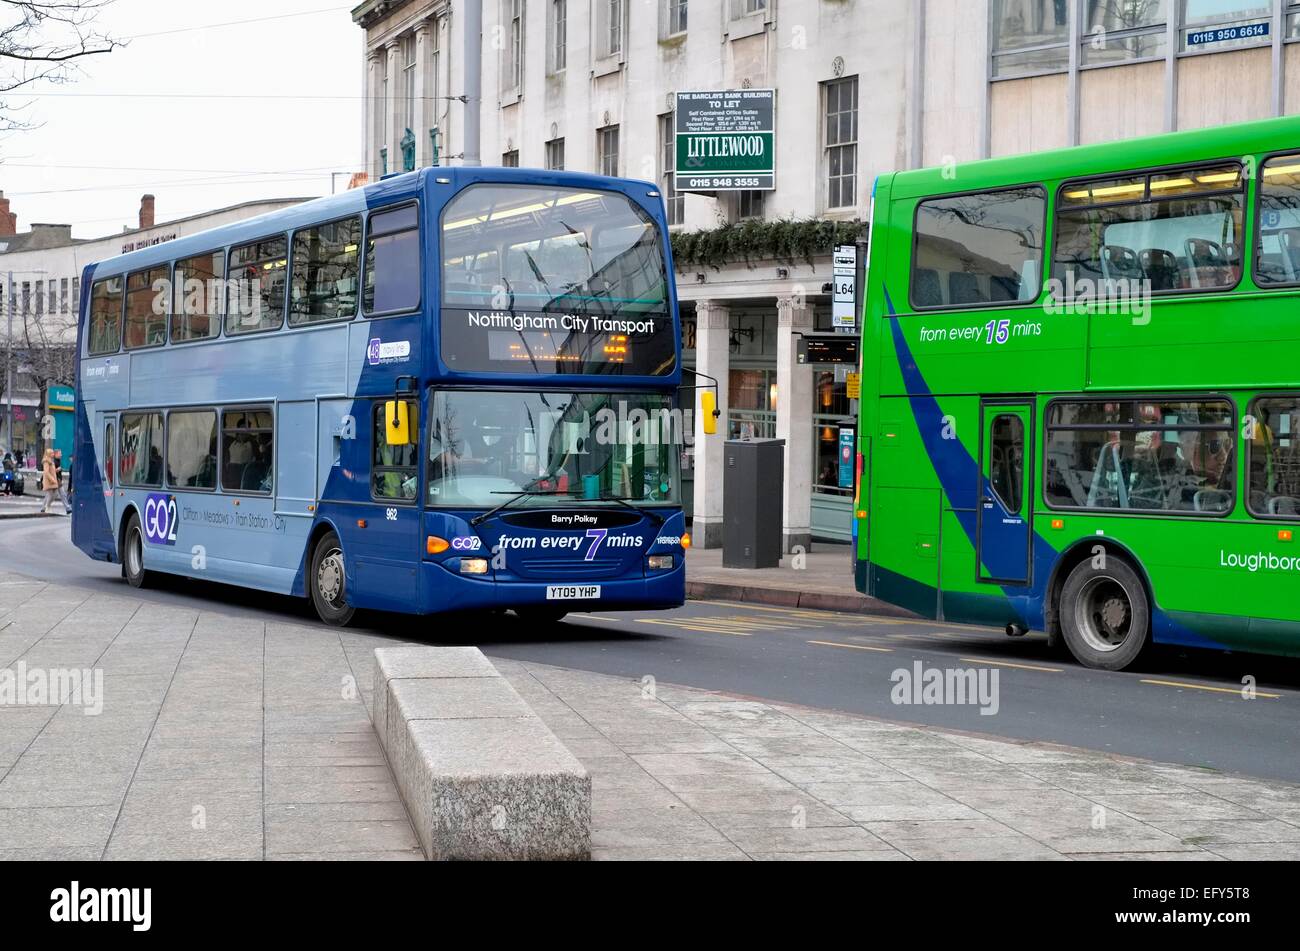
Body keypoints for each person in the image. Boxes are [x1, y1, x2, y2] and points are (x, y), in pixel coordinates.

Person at [41, 449, 60, 514]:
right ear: (49, 454)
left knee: (55, 494)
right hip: (49, 481)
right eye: (52, 453)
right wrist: (52, 479)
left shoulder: (51, 461)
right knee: (50, 495)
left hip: (52, 480)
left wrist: (56, 470)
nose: (53, 454)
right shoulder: (46, 461)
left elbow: (52, 470)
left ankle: (47, 506)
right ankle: (47, 507)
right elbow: (46, 472)